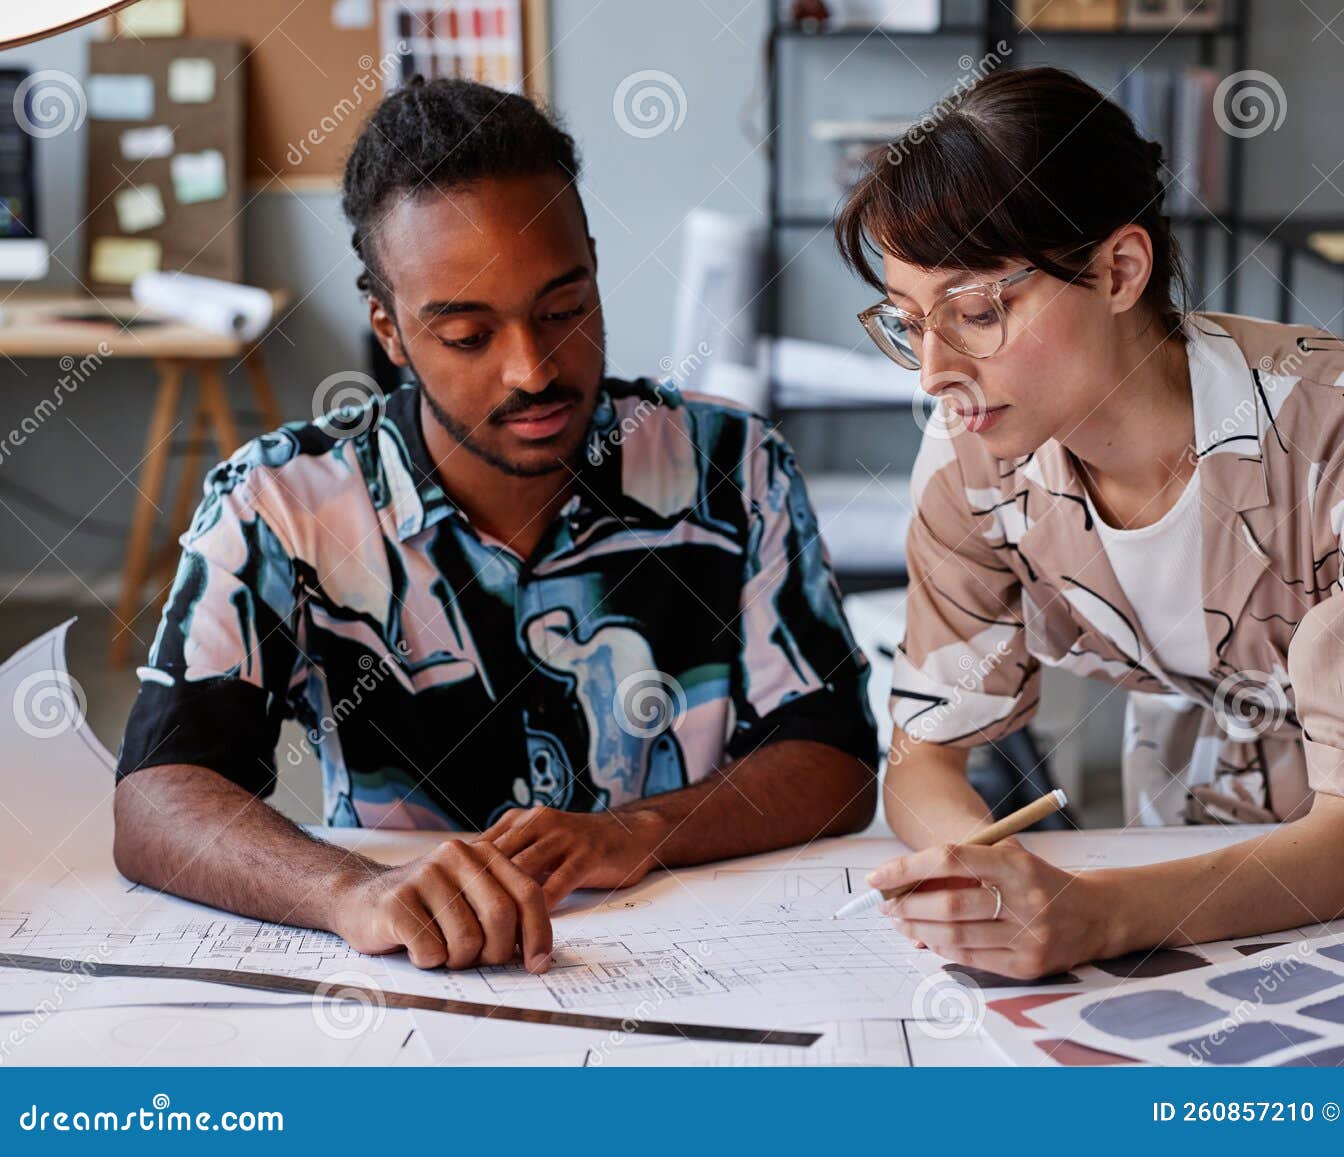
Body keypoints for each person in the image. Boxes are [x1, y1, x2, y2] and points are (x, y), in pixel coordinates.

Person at [112, 78, 878, 975]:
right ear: (390, 330)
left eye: (563, 311)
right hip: (413, 985)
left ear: (593, 263)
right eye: (469, 335)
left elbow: (835, 756)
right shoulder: (282, 499)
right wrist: (349, 890)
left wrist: (638, 831)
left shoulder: (732, 468)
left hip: (689, 966)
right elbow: (158, 796)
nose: (532, 370)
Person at [834, 67, 1344, 980]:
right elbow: (919, 758)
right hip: (1190, 743)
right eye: (909, 323)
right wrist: (981, 872)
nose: (933, 371)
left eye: (977, 310)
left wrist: (1102, 915)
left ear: (1119, 270)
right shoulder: (969, 454)